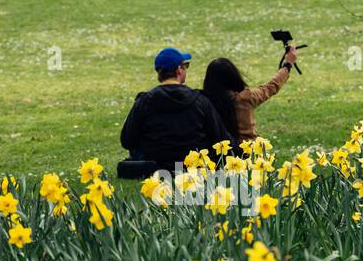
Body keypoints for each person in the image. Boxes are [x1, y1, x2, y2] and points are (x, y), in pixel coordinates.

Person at [119, 47, 232, 177]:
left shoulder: (144, 101)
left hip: (156, 167)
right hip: (194, 167)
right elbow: (221, 137)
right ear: (179, 70)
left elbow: (127, 140)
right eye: (186, 66)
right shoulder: (200, 101)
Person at [201, 47, 297, 143]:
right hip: (248, 151)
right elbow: (271, 87)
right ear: (233, 76)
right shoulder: (245, 97)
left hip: (217, 152)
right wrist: (287, 65)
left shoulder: (203, 101)